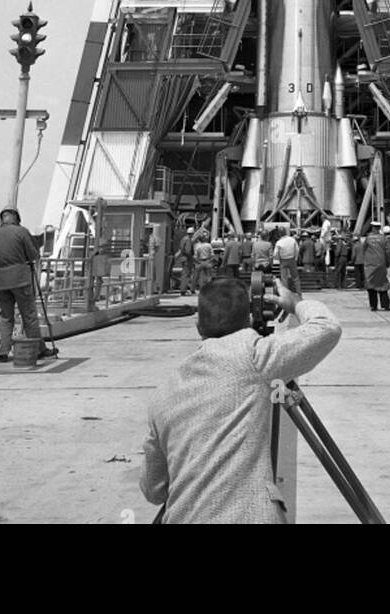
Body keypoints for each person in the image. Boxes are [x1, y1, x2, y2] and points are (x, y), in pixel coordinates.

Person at [140, 276, 341, 523]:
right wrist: (296, 303)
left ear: (197, 324)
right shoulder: (253, 357)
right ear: (248, 319)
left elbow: (154, 489)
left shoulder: (163, 394)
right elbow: (327, 327)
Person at [0, 207, 46, 361]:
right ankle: (38, 349)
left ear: (1, 220)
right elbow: (33, 255)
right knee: (29, 316)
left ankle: (3, 351)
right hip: (20, 279)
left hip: (1, 281)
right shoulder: (21, 232)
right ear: (17, 219)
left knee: (6, 317)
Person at [362, 221, 390, 312]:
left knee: (371, 285)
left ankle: (373, 306)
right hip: (381, 264)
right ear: (379, 228)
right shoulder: (384, 239)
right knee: (382, 284)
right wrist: (387, 262)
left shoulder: (368, 239)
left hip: (370, 265)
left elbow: (363, 250)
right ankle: (385, 305)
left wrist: (366, 261)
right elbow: (388, 252)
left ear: (372, 228)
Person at [273, 224, 301, 294]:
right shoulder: (292, 240)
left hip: (283, 261)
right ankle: (299, 293)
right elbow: (297, 250)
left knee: (284, 279)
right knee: (295, 278)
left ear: (279, 234)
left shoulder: (279, 242)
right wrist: (296, 258)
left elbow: (275, 254)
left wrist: (278, 260)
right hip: (292, 260)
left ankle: (286, 294)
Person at [174, 225, 195, 296]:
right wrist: (191, 258)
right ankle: (183, 290)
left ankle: (183, 289)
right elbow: (188, 251)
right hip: (187, 259)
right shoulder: (188, 239)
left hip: (183, 258)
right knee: (186, 274)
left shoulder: (183, 239)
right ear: (192, 233)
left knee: (184, 274)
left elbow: (181, 249)